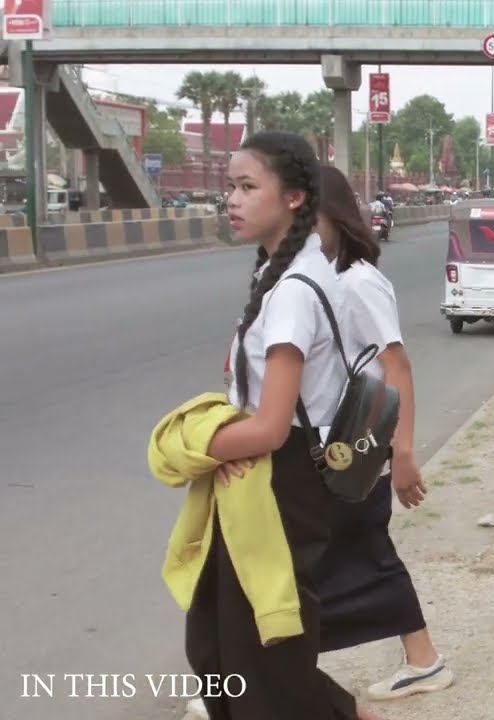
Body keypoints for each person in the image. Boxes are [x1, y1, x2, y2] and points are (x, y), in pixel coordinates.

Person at [185, 131, 384, 720]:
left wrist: (193, 445)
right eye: (230, 188)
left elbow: (271, 426)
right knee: (224, 644)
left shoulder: (295, 288)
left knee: (255, 655)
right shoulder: (290, 272)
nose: (233, 200)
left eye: (248, 187)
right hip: (271, 478)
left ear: (295, 197)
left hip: (280, 479)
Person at [311, 165, 456, 700]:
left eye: (308, 217)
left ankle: (254, 677)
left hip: (357, 443)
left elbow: (397, 367)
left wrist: (402, 455)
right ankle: (423, 659)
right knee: (359, 550)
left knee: (341, 549)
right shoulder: (327, 279)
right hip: (339, 444)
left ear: (332, 215)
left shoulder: (357, 283)